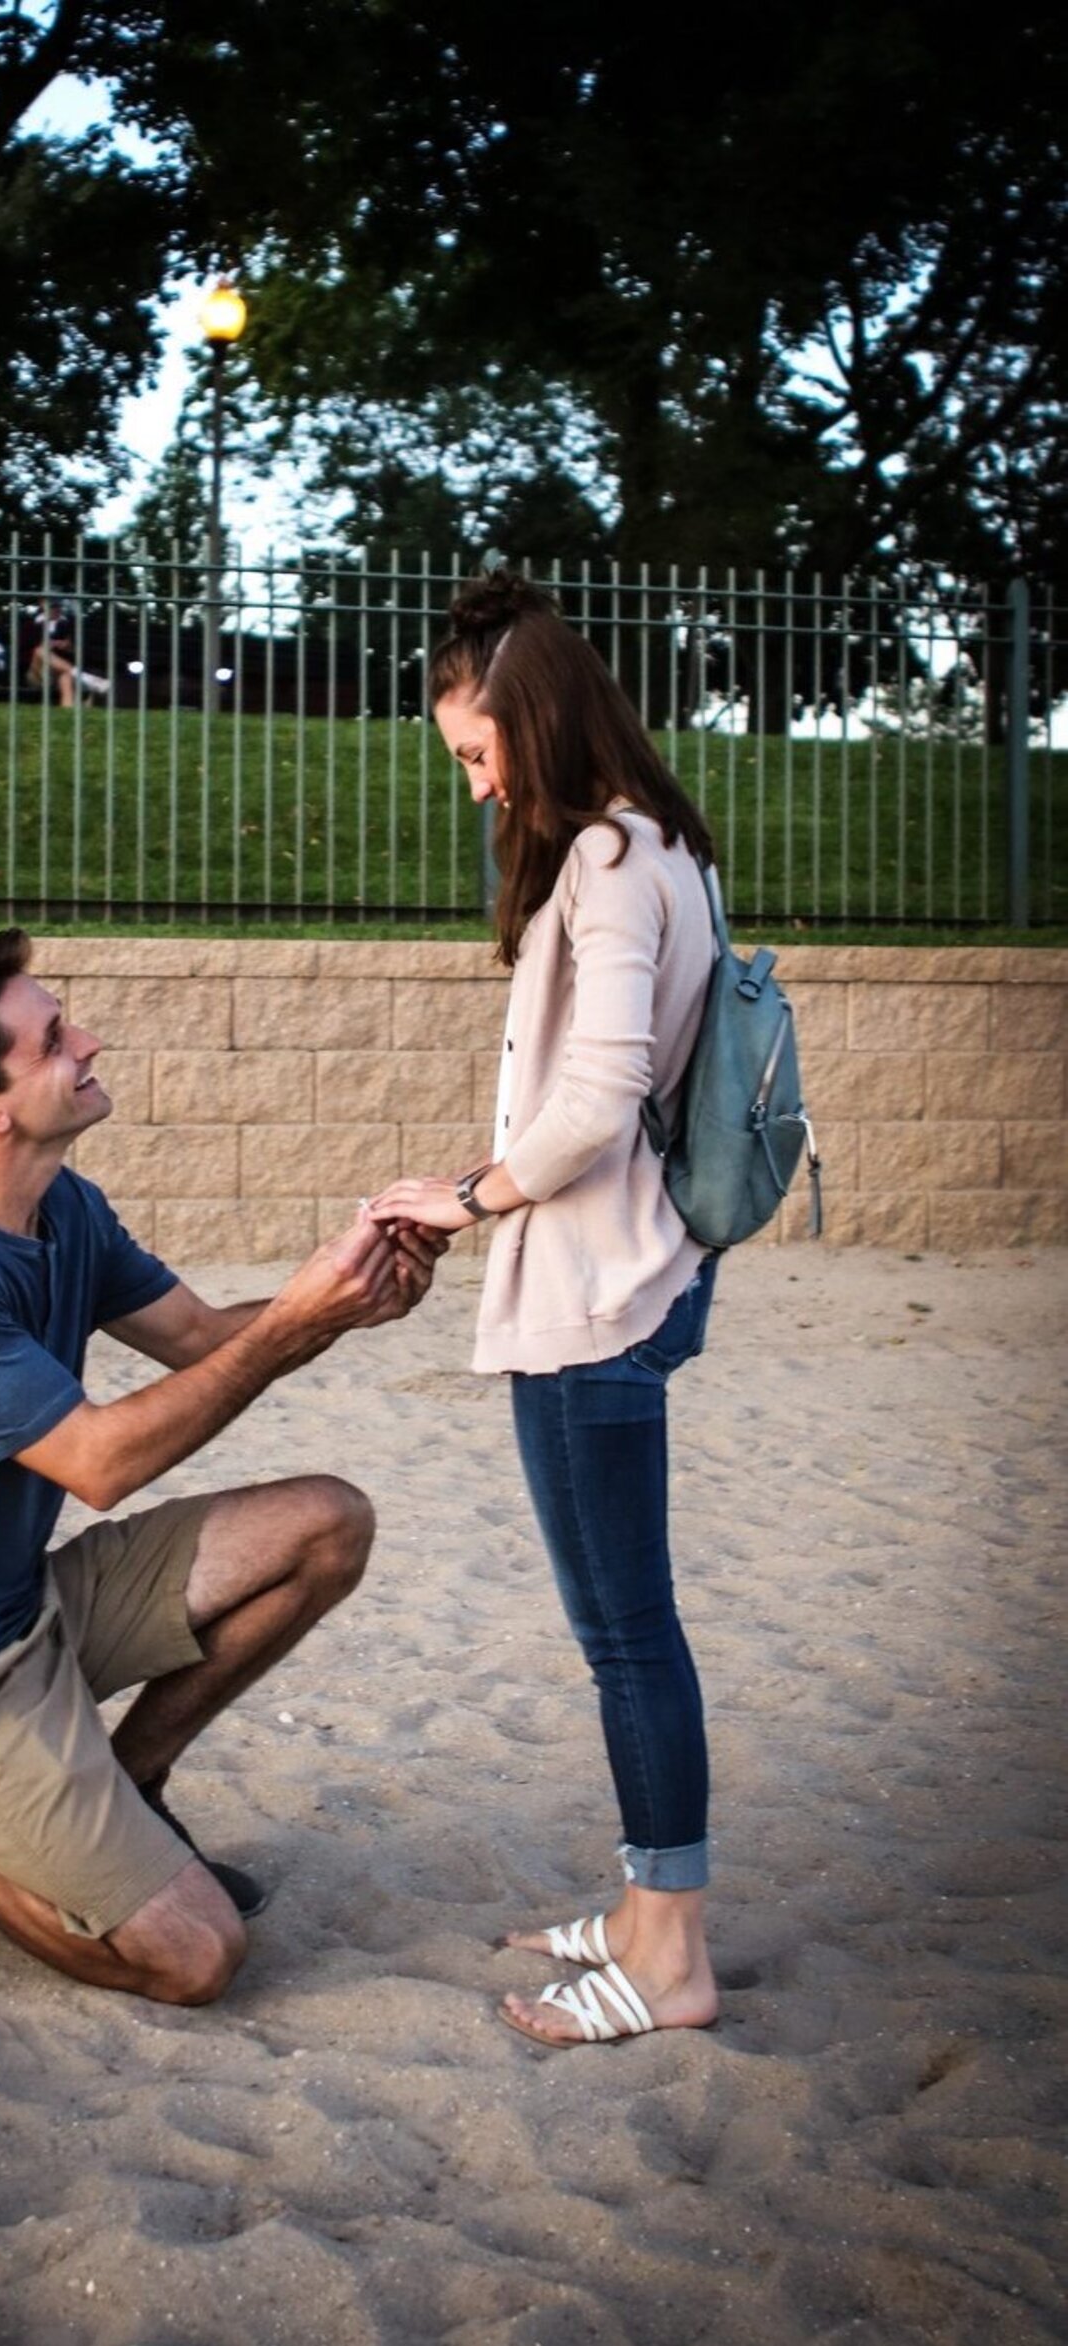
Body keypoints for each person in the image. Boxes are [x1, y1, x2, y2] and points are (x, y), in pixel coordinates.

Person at [0, 927, 443, 2006]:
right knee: (193, 1960)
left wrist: (352, 1300)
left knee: (327, 1523)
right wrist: (292, 1324)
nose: (87, 1040)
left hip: (27, 1606)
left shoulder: (63, 1208)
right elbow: (100, 1463)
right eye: (53, 1038)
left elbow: (199, 1339)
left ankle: (131, 1784)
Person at [369, 571, 722, 2050]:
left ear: (532, 720)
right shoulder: (665, 849)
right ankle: (643, 1917)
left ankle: (673, 1956)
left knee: (624, 1633)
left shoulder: (603, 862)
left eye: (474, 753)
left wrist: (470, 1194)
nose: (472, 787)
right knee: (619, 1627)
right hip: (624, 1274)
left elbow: (597, 1094)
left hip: (593, 1291)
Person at [23, 596, 109, 707]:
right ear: (42, 605)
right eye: (52, 606)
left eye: (58, 606)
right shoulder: (30, 626)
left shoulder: (70, 625)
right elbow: (22, 653)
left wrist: (68, 647)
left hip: (62, 670)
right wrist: (46, 646)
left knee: (66, 677)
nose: (56, 609)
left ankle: (67, 712)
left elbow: (83, 652)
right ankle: (86, 679)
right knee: (39, 650)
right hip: (37, 671)